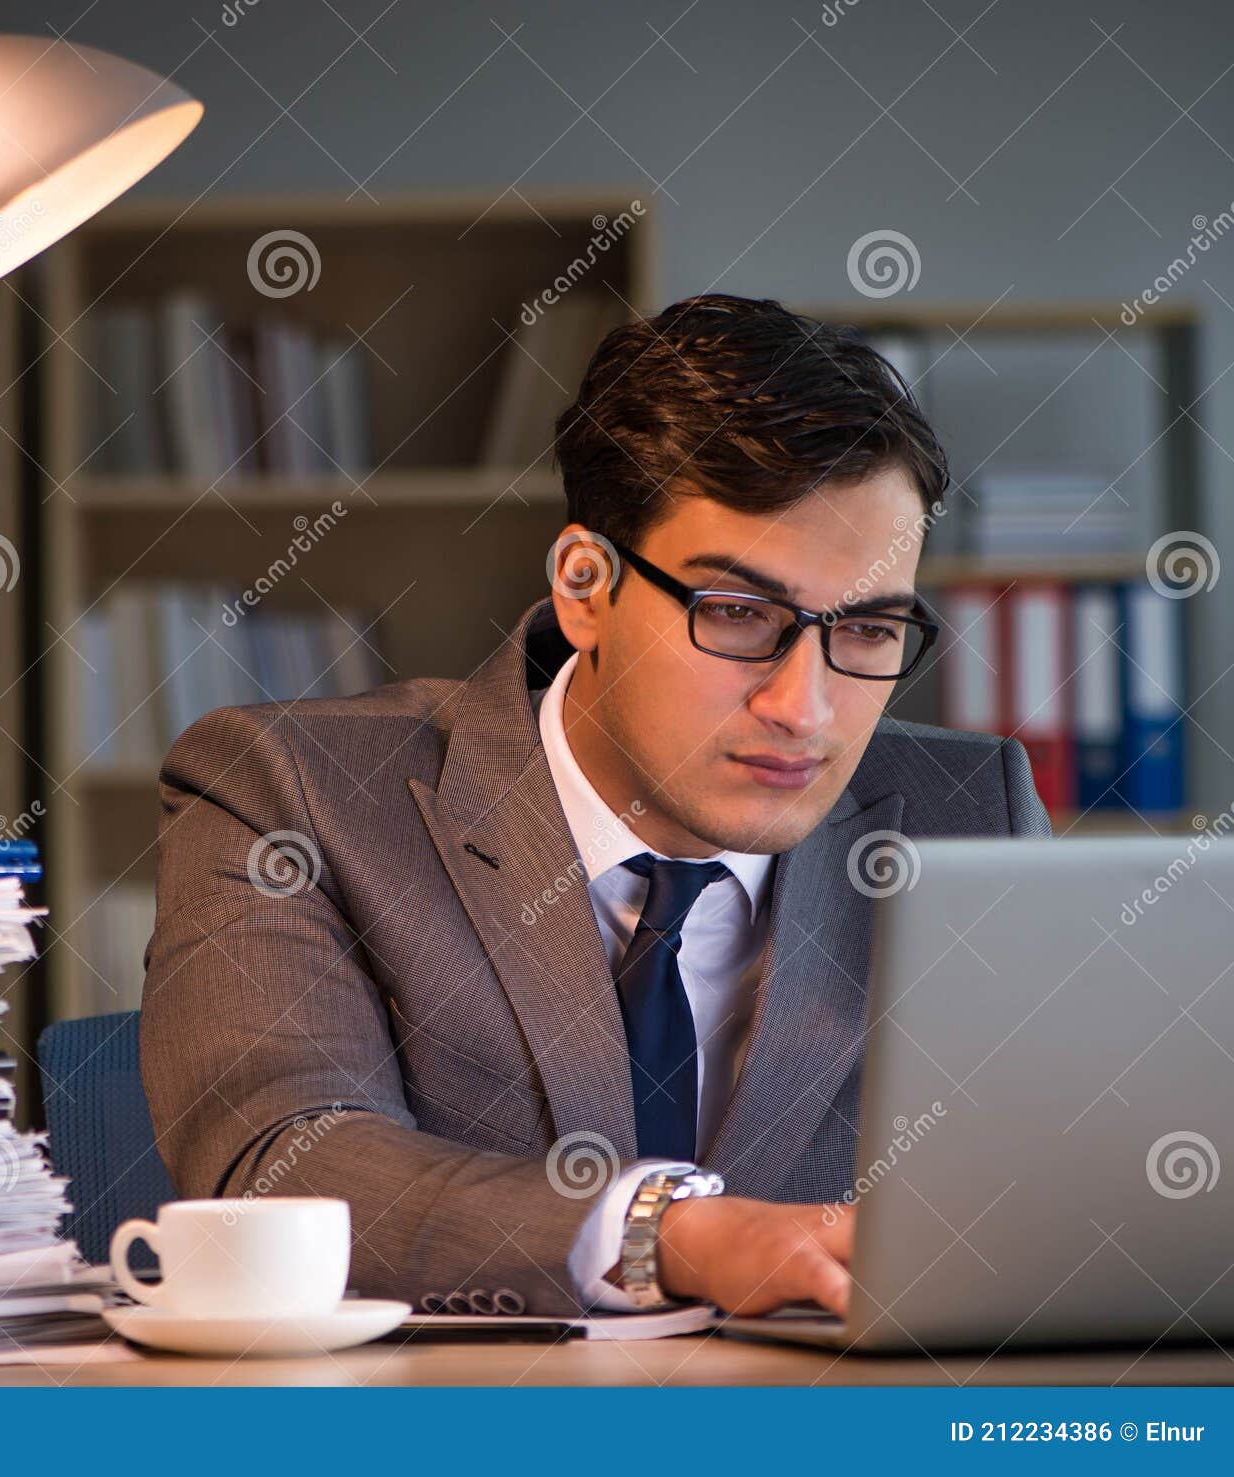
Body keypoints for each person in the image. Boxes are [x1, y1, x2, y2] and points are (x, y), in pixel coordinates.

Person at [139, 292, 1049, 1318]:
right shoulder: (291, 793)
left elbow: (1084, 1172)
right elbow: (274, 1163)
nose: (805, 707)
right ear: (585, 585)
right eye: (739, 614)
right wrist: (678, 1234)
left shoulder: (969, 817)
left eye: (870, 630)